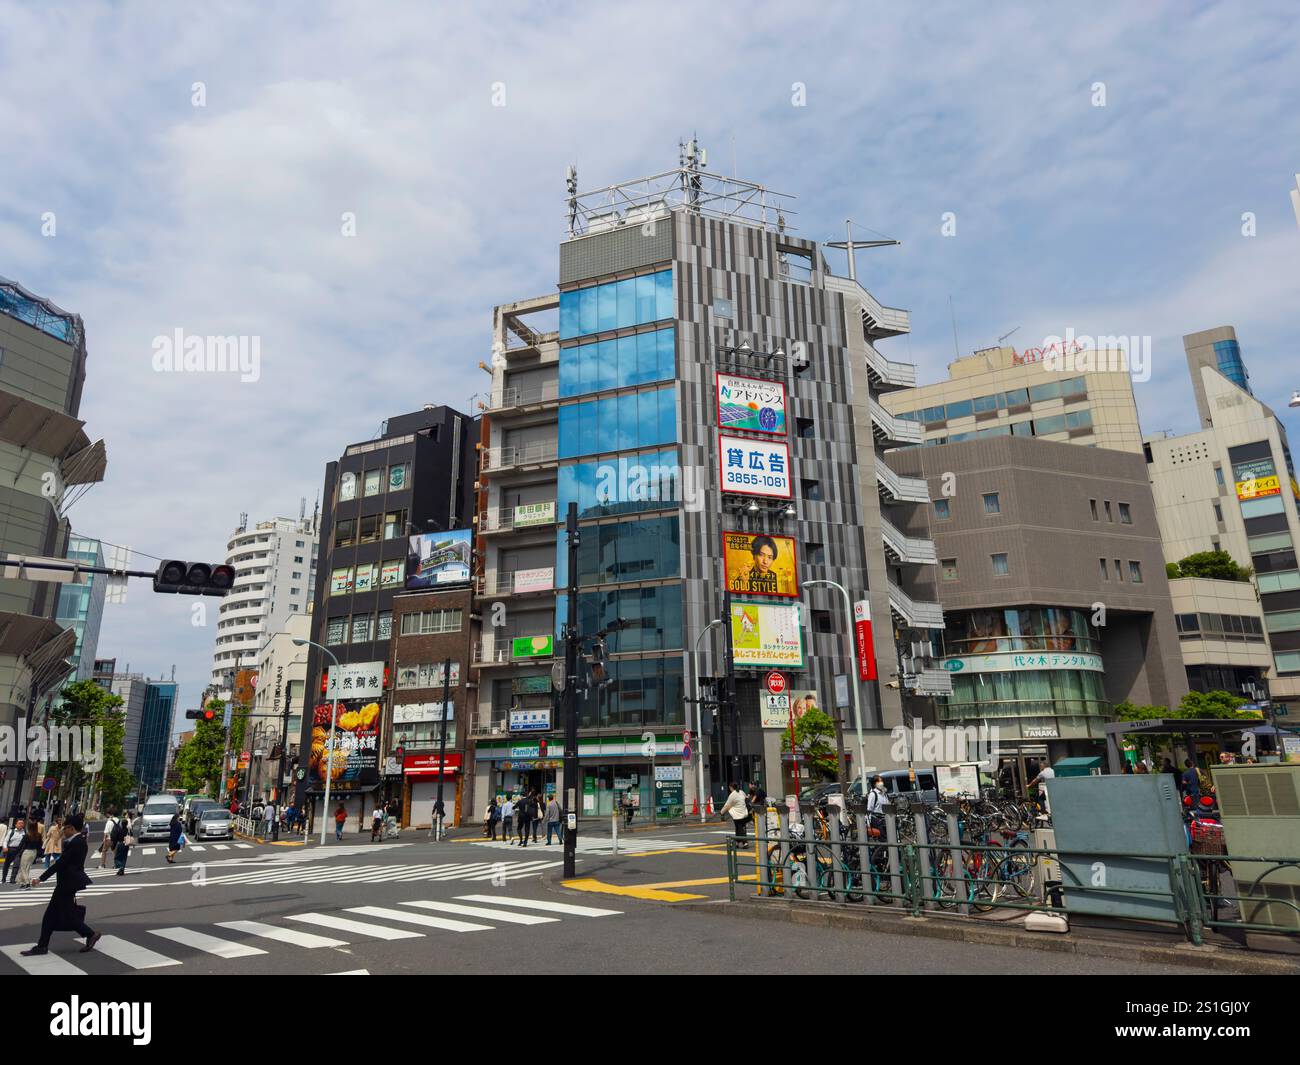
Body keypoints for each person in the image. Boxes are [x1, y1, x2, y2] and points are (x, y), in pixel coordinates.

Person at [21, 813, 100, 957]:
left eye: (65, 828)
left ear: (71, 828)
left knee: (66, 915)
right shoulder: (77, 841)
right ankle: (42, 945)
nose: (63, 831)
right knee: (50, 916)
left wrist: (41, 878)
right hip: (67, 883)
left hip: (68, 884)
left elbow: (61, 863)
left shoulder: (76, 843)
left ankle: (90, 934)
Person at [17, 820, 43, 889]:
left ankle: (27, 883)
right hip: (34, 852)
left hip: (27, 852)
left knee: (23, 868)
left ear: (29, 827)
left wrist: (16, 852)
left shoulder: (27, 835)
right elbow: (40, 845)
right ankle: (23, 883)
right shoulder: (39, 835)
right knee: (27, 868)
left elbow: (21, 845)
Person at [2, 818, 25, 883]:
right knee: (6, 864)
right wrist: (5, 847)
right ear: (16, 825)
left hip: (19, 850)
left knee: (16, 865)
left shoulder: (24, 832)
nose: (21, 825)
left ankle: (12, 879)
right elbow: (5, 841)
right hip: (10, 850)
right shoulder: (11, 831)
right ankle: (4, 878)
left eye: (22, 823)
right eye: (19, 823)